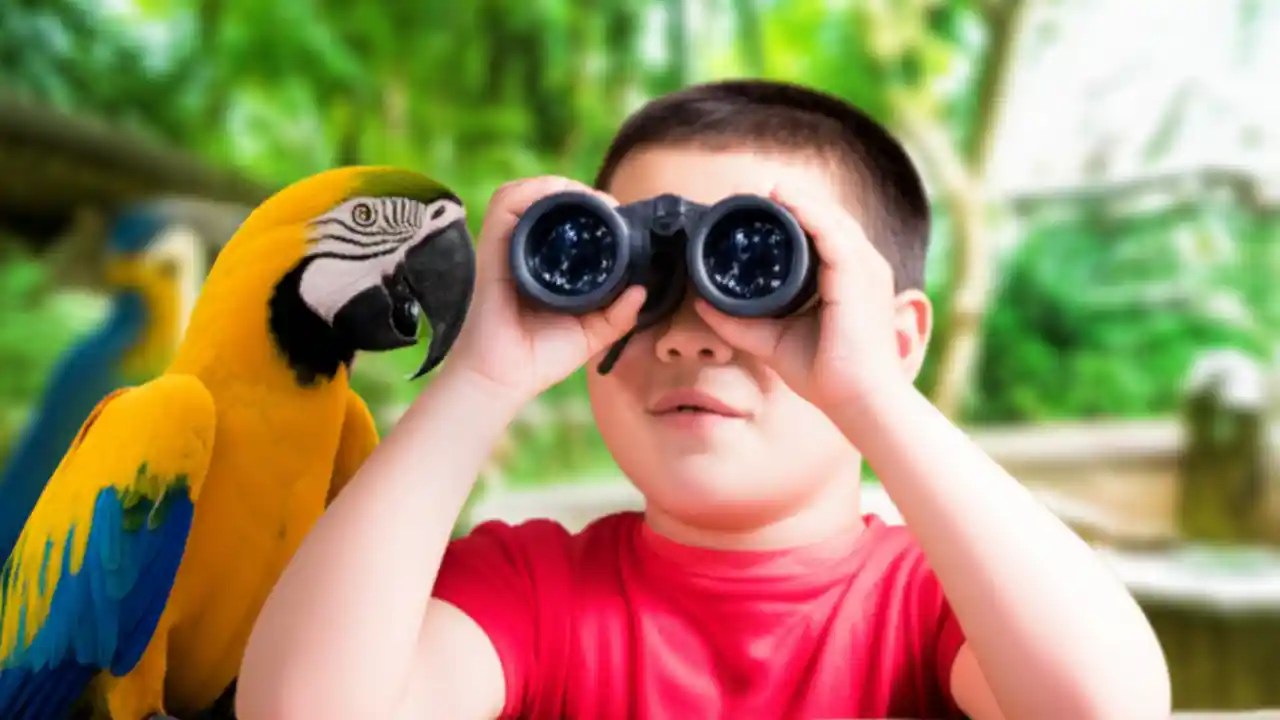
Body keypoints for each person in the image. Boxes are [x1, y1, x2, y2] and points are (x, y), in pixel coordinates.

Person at [237, 79, 1171, 720]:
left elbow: (1105, 706)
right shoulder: (528, 594)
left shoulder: (938, 604)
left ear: (893, 338)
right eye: (638, 285)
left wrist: (872, 396)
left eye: (760, 281)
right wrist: (481, 377)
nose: (691, 334)